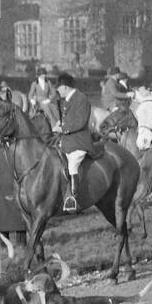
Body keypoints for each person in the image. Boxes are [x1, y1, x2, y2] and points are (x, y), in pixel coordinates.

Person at [53, 72, 99, 212]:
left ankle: (72, 198)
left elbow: (80, 122)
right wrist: (59, 124)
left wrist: (63, 128)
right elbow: (68, 119)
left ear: (65, 87)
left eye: (59, 88)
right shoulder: (68, 99)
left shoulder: (81, 99)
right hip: (68, 140)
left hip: (79, 141)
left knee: (72, 164)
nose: (58, 90)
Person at [0, 140, 26, 254]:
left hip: (18, 193)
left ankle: (22, 246)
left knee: (20, 224)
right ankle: (3, 248)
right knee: (2, 224)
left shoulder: (21, 153)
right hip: (0, 195)